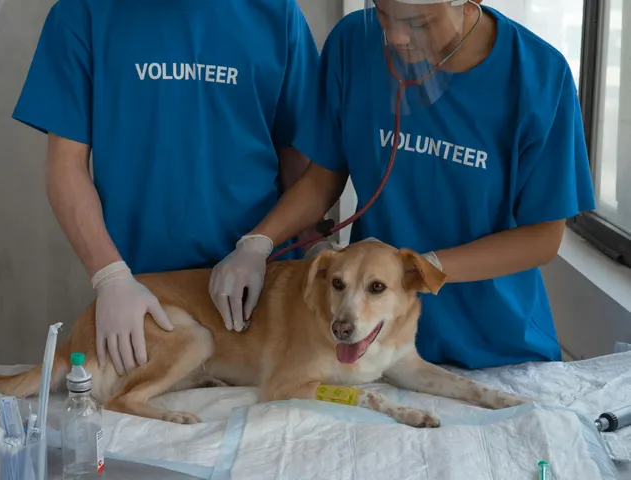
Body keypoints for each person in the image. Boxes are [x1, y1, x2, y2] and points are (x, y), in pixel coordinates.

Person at [209, 0, 597, 369]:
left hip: (495, 342)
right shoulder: (353, 44)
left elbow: (543, 238)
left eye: (418, 22)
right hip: (378, 342)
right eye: (382, 11)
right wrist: (257, 243)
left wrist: (427, 268)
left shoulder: (539, 78)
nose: (394, 36)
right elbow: (322, 179)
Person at [12, 0, 320, 375]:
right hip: (149, 302)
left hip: (258, 294)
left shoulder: (278, 14)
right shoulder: (83, 13)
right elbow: (66, 166)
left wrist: (292, 243)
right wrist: (109, 276)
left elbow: (302, 166)